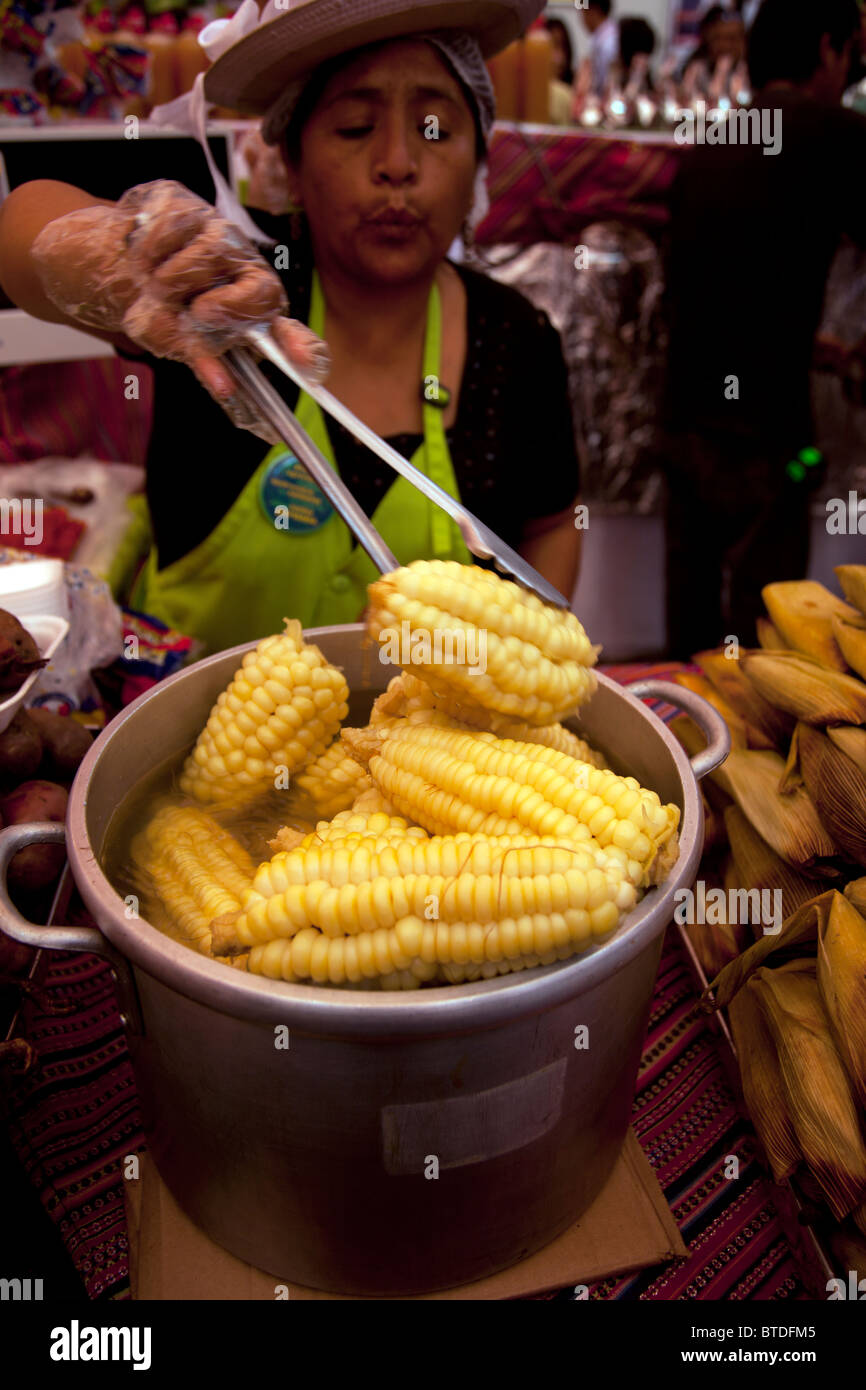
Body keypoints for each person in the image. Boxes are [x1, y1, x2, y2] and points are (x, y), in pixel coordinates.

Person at [0, 0, 582, 655]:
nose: (397, 162)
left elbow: (553, 524)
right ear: (292, 162)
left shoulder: (518, 337)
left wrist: (523, 652)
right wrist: (121, 259)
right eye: (356, 127)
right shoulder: (225, 292)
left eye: (435, 128)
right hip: (182, 730)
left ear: (479, 158)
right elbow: (20, 225)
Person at [662, 0, 866, 657]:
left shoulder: (708, 147)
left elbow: (716, 293)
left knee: (692, 631)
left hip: (687, 423)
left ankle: (675, 747)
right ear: (830, 49)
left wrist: (812, 346)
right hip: (768, 433)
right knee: (765, 640)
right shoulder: (834, 131)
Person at [580, 0, 619, 95]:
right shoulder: (601, 38)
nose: (582, 20)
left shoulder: (608, 42)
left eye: (583, 13)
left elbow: (607, 83)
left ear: (593, 11)